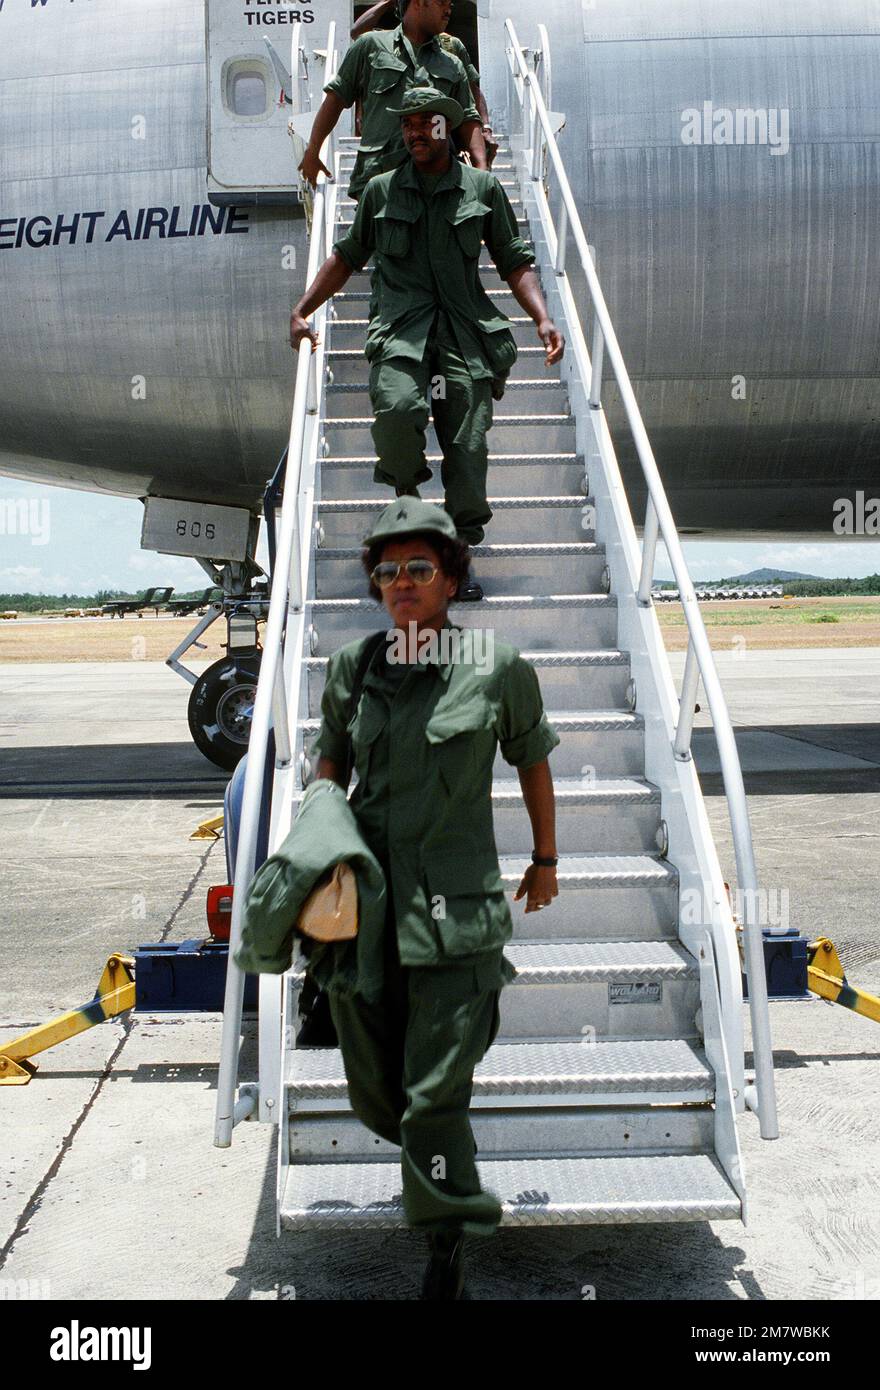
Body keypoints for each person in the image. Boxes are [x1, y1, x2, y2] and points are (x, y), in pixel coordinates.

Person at [308, 495, 560, 1299]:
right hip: (369, 913)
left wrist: (546, 857)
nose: (402, 583)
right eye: (387, 572)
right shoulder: (353, 670)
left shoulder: (497, 667)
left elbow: (532, 760)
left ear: (452, 578)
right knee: (376, 1094)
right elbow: (330, 766)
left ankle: (448, 1237)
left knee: (433, 1094)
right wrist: (319, 853)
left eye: (420, 568)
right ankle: (436, 1174)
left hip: (458, 918)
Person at [289, 86, 565, 600]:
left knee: (469, 447)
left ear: (447, 126)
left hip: (465, 334)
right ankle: (410, 505)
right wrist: (303, 308)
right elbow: (347, 257)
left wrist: (543, 319)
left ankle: (457, 558)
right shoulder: (382, 190)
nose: (415, 131)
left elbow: (513, 260)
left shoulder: (482, 189)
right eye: (407, 124)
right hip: (401, 331)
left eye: (426, 123)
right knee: (396, 411)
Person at [298, 0, 486, 201]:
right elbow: (335, 100)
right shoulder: (370, 46)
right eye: (441, 3)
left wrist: (482, 169)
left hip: (437, 184)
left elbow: (468, 118)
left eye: (450, 4)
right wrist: (313, 151)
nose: (448, 10)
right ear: (419, 3)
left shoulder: (453, 62)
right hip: (379, 181)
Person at [350, 0, 500, 166]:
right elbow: (357, 32)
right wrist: (389, 2)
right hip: (388, 157)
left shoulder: (451, 47)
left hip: (437, 151)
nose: (447, 10)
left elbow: (472, 93)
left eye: (450, 5)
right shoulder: (383, 44)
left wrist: (485, 127)